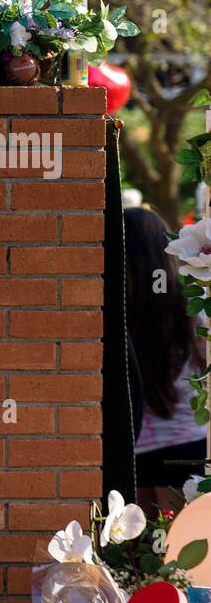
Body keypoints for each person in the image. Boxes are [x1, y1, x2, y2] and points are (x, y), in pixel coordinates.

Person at [126, 206, 206, 509]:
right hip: (187, 447)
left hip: (133, 451)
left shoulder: (115, 312)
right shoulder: (191, 307)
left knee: (136, 553)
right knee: (180, 553)